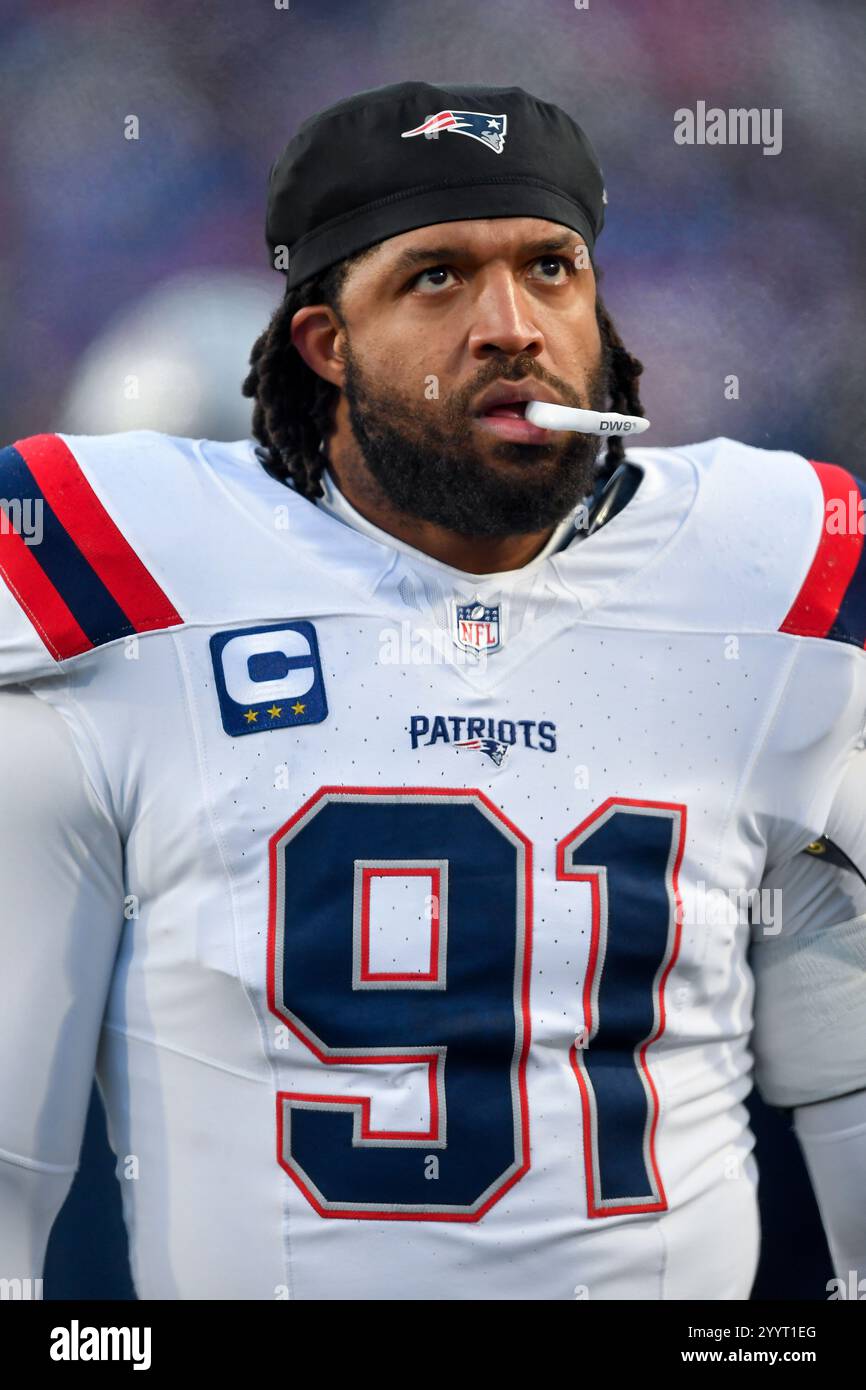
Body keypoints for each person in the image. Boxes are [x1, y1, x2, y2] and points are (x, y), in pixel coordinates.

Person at [0, 80, 863, 1301]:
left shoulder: (764, 561)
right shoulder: (129, 564)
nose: (513, 325)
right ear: (324, 345)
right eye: (436, 276)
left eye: (552, 269)